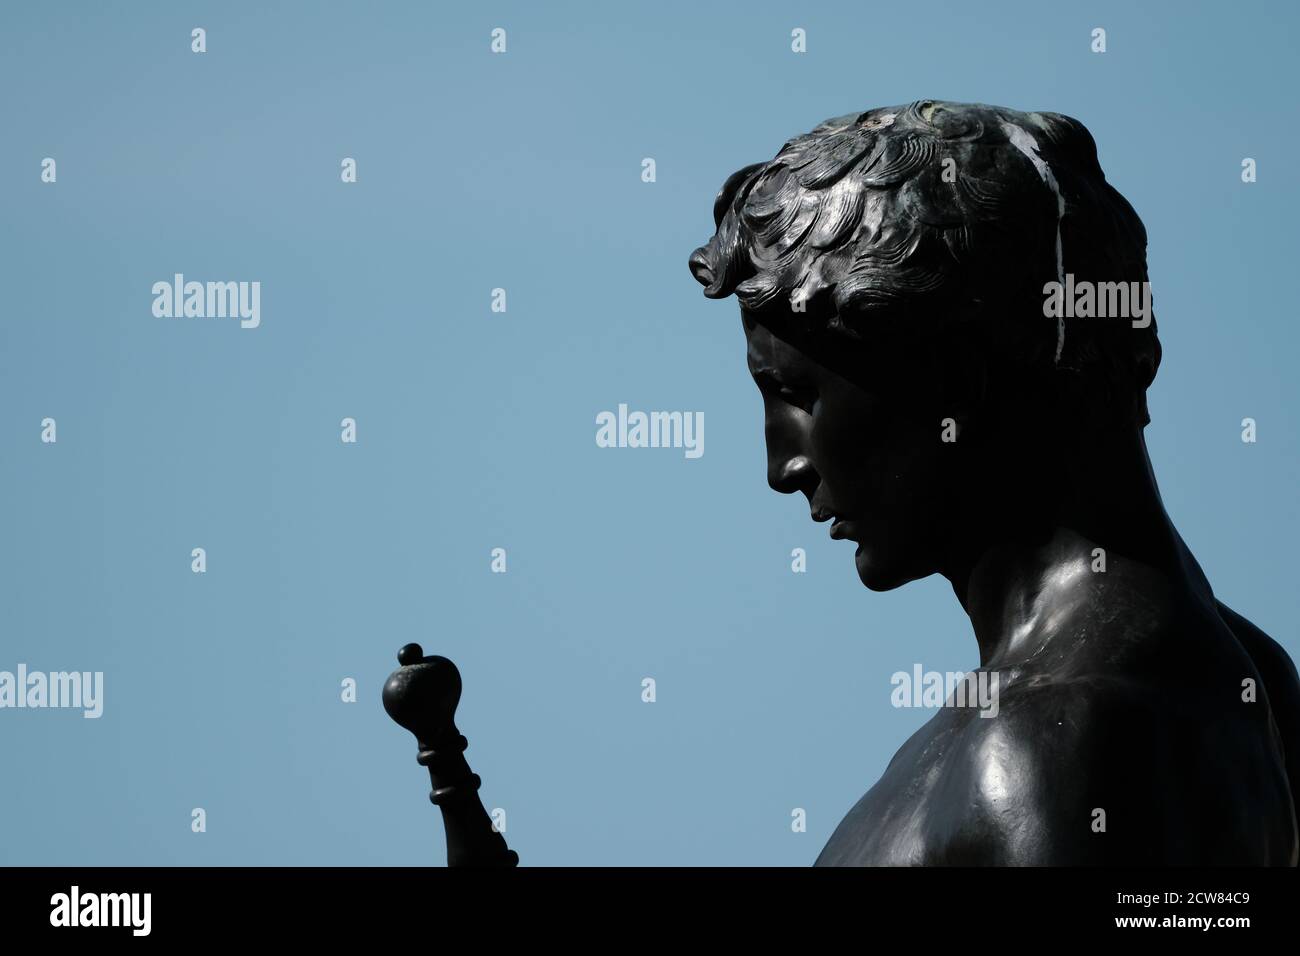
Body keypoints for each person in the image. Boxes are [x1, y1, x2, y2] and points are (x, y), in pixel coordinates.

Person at [688, 100, 1299, 865]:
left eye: (798, 395)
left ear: (951, 380)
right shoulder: (1249, 687)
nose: (782, 469)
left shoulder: (1048, 746)